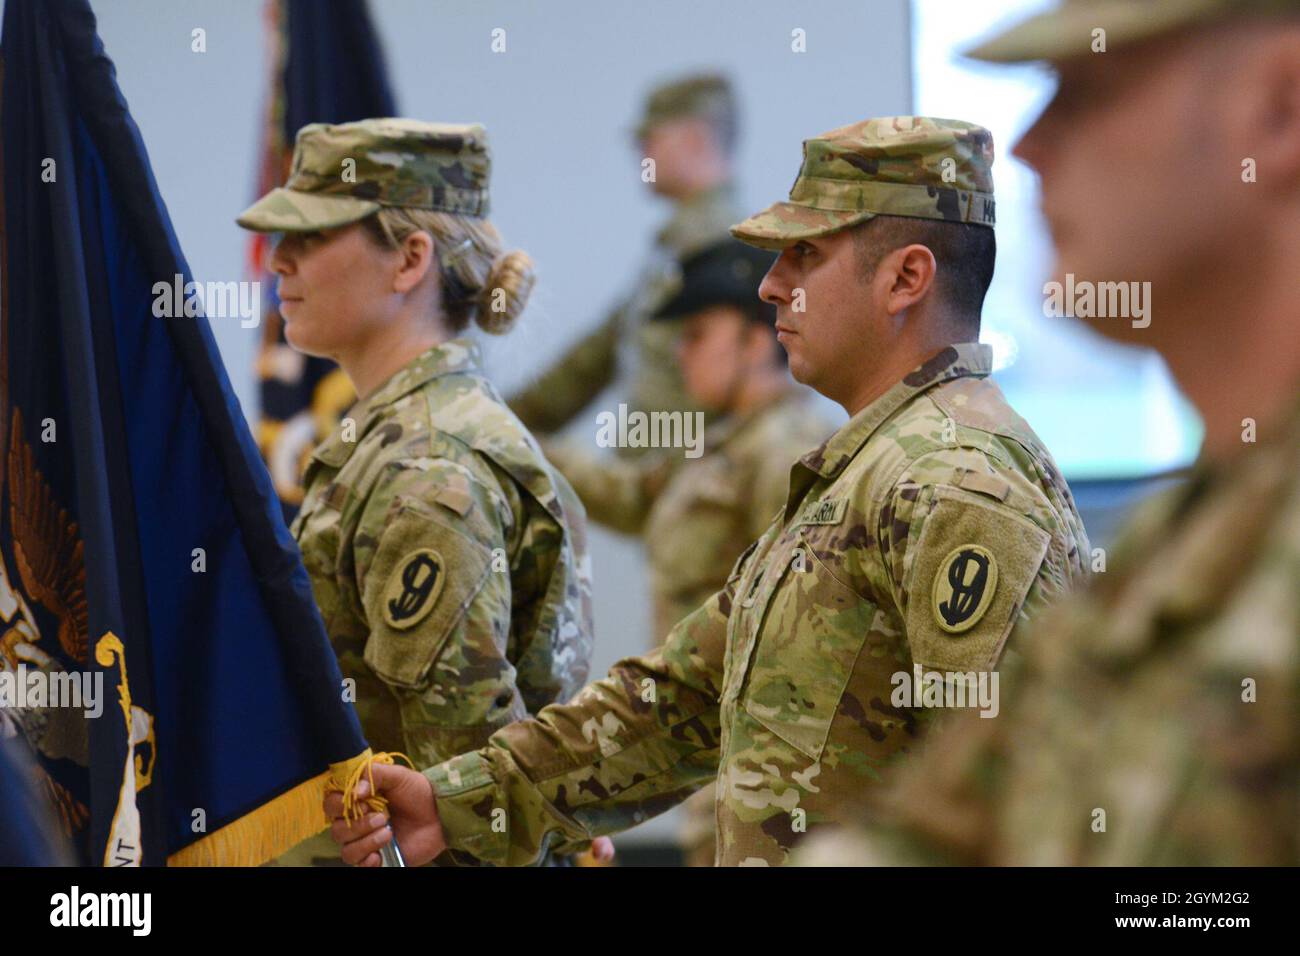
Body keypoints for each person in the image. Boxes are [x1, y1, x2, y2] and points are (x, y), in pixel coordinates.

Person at [323, 116, 1092, 867]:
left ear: (906, 277)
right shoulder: (860, 472)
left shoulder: (957, 480)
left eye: (803, 255)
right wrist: (459, 801)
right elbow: (681, 700)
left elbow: (1022, 801)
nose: (769, 284)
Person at [798, 0, 1300, 866]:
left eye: (1088, 89)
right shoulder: (1181, 538)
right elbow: (943, 831)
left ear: (1282, 104)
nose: (1028, 145)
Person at [236, 118, 595, 864]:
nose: (280, 260)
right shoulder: (399, 439)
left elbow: (457, 792)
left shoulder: (430, 471)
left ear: (409, 260)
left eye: (312, 235)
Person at [542, 238, 836, 864]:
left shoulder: (789, 449)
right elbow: (630, 497)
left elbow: (801, 637)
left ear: (757, 344)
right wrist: (528, 443)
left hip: (768, 781)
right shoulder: (720, 444)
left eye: (699, 334)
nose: (682, 354)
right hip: (710, 758)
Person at [507, 73, 742, 445]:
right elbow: (594, 358)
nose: (640, 152)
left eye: (650, 139)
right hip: (651, 484)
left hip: (682, 483)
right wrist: (502, 420)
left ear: (697, 140)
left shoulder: (725, 249)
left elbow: (731, 402)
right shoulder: (675, 247)